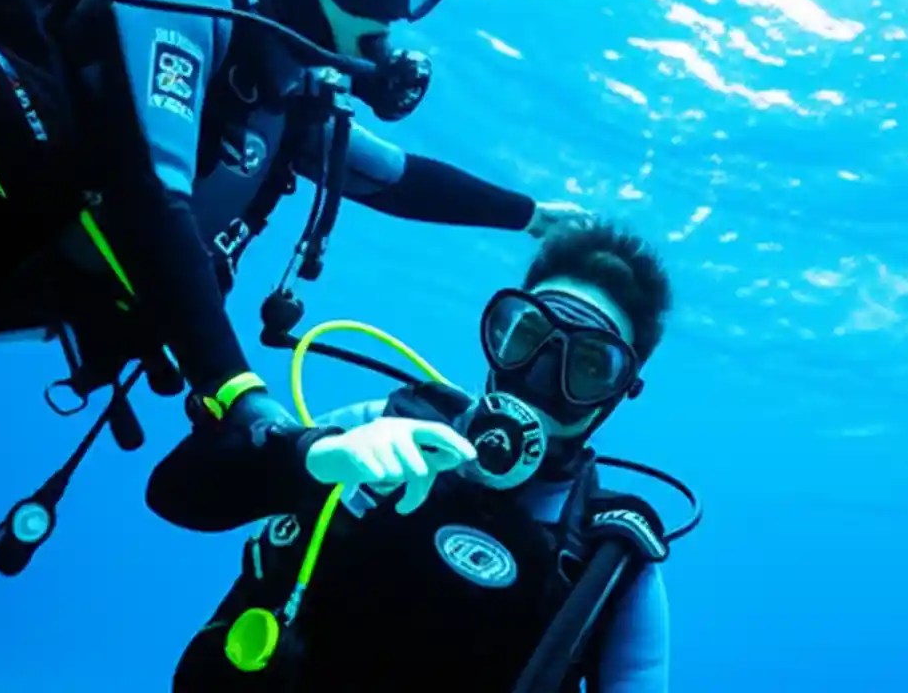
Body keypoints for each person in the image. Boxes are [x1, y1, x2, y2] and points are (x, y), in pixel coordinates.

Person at [0, 0, 588, 438]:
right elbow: (152, 196)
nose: (394, 11)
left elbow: (394, 180)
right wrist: (242, 397)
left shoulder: (284, 91)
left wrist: (531, 216)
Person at [149, 221, 675, 692]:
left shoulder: (609, 559)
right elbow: (176, 493)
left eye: (588, 366)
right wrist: (312, 457)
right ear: (499, 334)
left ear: (617, 393)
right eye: (529, 336)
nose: (539, 375)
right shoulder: (379, 428)